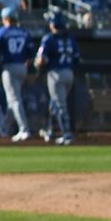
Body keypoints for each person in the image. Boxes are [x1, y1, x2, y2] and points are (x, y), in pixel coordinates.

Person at [0, 10, 33, 141]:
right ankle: (4, 128)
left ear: (5, 18)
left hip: (10, 67)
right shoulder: (24, 32)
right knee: (12, 99)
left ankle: (24, 129)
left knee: (15, 99)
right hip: (22, 67)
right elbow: (30, 55)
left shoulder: (2, 32)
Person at [35, 11, 80, 145]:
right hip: (69, 73)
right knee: (54, 103)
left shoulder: (49, 38)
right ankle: (50, 130)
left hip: (56, 74)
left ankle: (67, 134)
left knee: (60, 106)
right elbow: (77, 58)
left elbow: (41, 60)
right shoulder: (71, 38)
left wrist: (37, 64)